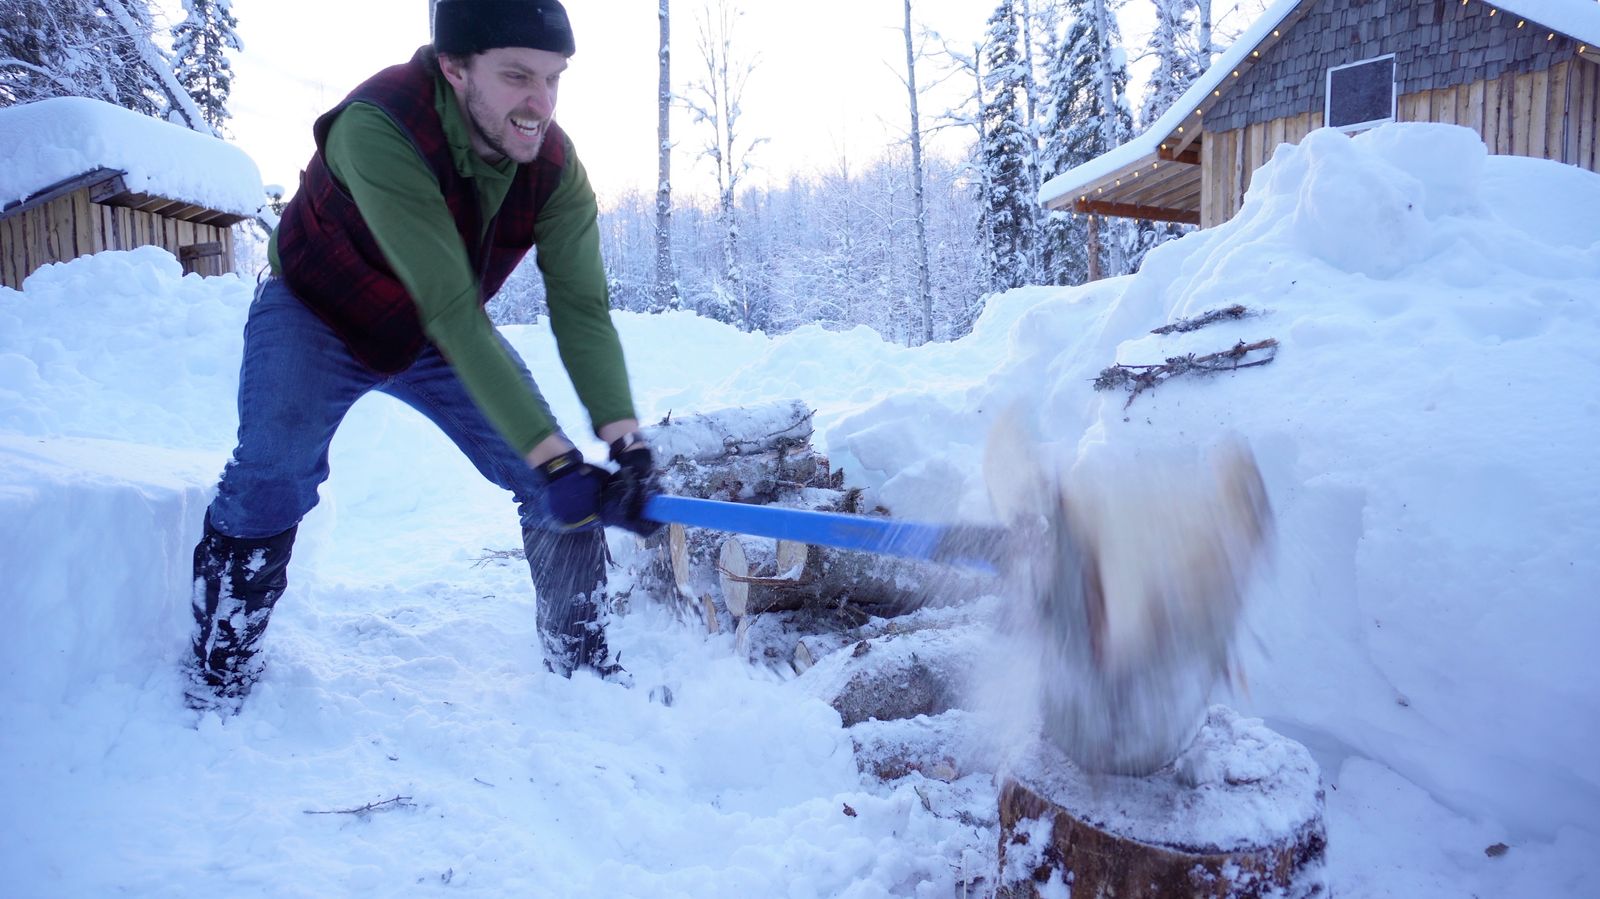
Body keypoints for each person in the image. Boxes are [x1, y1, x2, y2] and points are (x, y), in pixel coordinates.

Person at [186, 0, 660, 713]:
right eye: (516, 76)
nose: (541, 103)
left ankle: (582, 664)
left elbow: (582, 309)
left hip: (436, 336)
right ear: (453, 67)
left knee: (546, 485)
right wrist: (555, 455)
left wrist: (625, 442)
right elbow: (449, 303)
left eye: (554, 79)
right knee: (272, 473)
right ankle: (220, 663)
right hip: (318, 312)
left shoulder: (555, 169)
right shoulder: (378, 127)